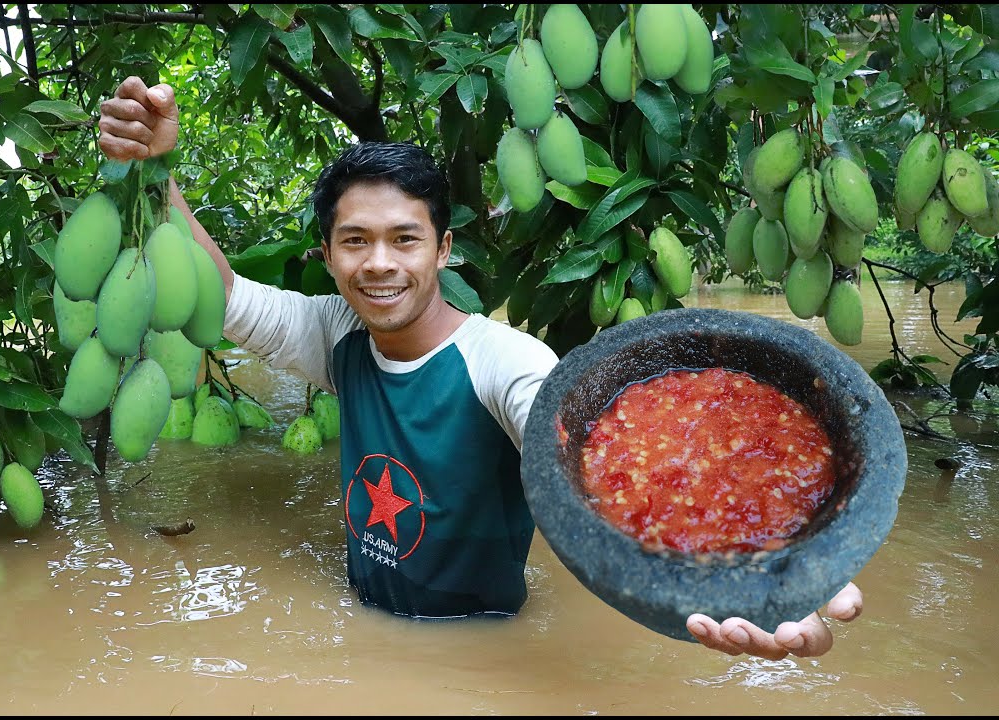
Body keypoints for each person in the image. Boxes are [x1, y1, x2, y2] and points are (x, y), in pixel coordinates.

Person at [97, 77, 864, 661]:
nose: (380, 263)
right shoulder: (338, 335)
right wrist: (154, 170)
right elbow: (225, 298)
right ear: (327, 255)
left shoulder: (507, 363)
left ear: (444, 250)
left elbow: (594, 477)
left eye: (404, 239)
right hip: (365, 629)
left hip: (482, 642)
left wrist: (758, 574)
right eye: (356, 241)